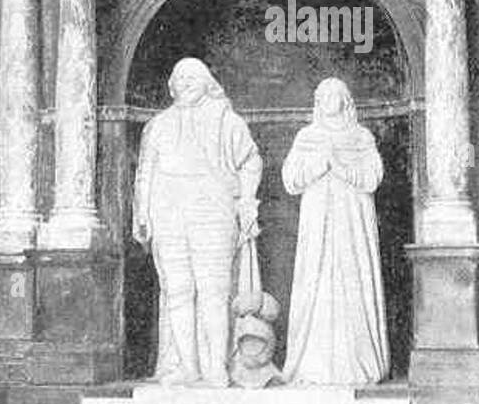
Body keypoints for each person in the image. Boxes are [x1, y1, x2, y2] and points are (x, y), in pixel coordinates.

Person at [133, 58, 261, 386]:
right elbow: (145, 173)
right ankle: (189, 367)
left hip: (212, 211)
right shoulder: (158, 125)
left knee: (213, 291)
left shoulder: (226, 120)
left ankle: (215, 366)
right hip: (168, 213)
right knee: (177, 290)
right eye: (180, 77)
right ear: (171, 86)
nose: (186, 82)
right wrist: (142, 213)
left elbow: (250, 161)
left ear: (207, 82)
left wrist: (246, 201)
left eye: (193, 77)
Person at [282, 79, 390, 386]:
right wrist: (319, 164)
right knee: (316, 282)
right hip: (317, 221)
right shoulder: (307, 137)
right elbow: (291, 180)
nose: (330, 99)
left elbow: (373, 177)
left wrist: (341, 167)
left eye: (336, 94)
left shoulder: (361, 136)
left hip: (352, 221)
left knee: (353, 281)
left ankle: (357, 363)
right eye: (323, 95)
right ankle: (311, 365)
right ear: (317, 101)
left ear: (346, 100)